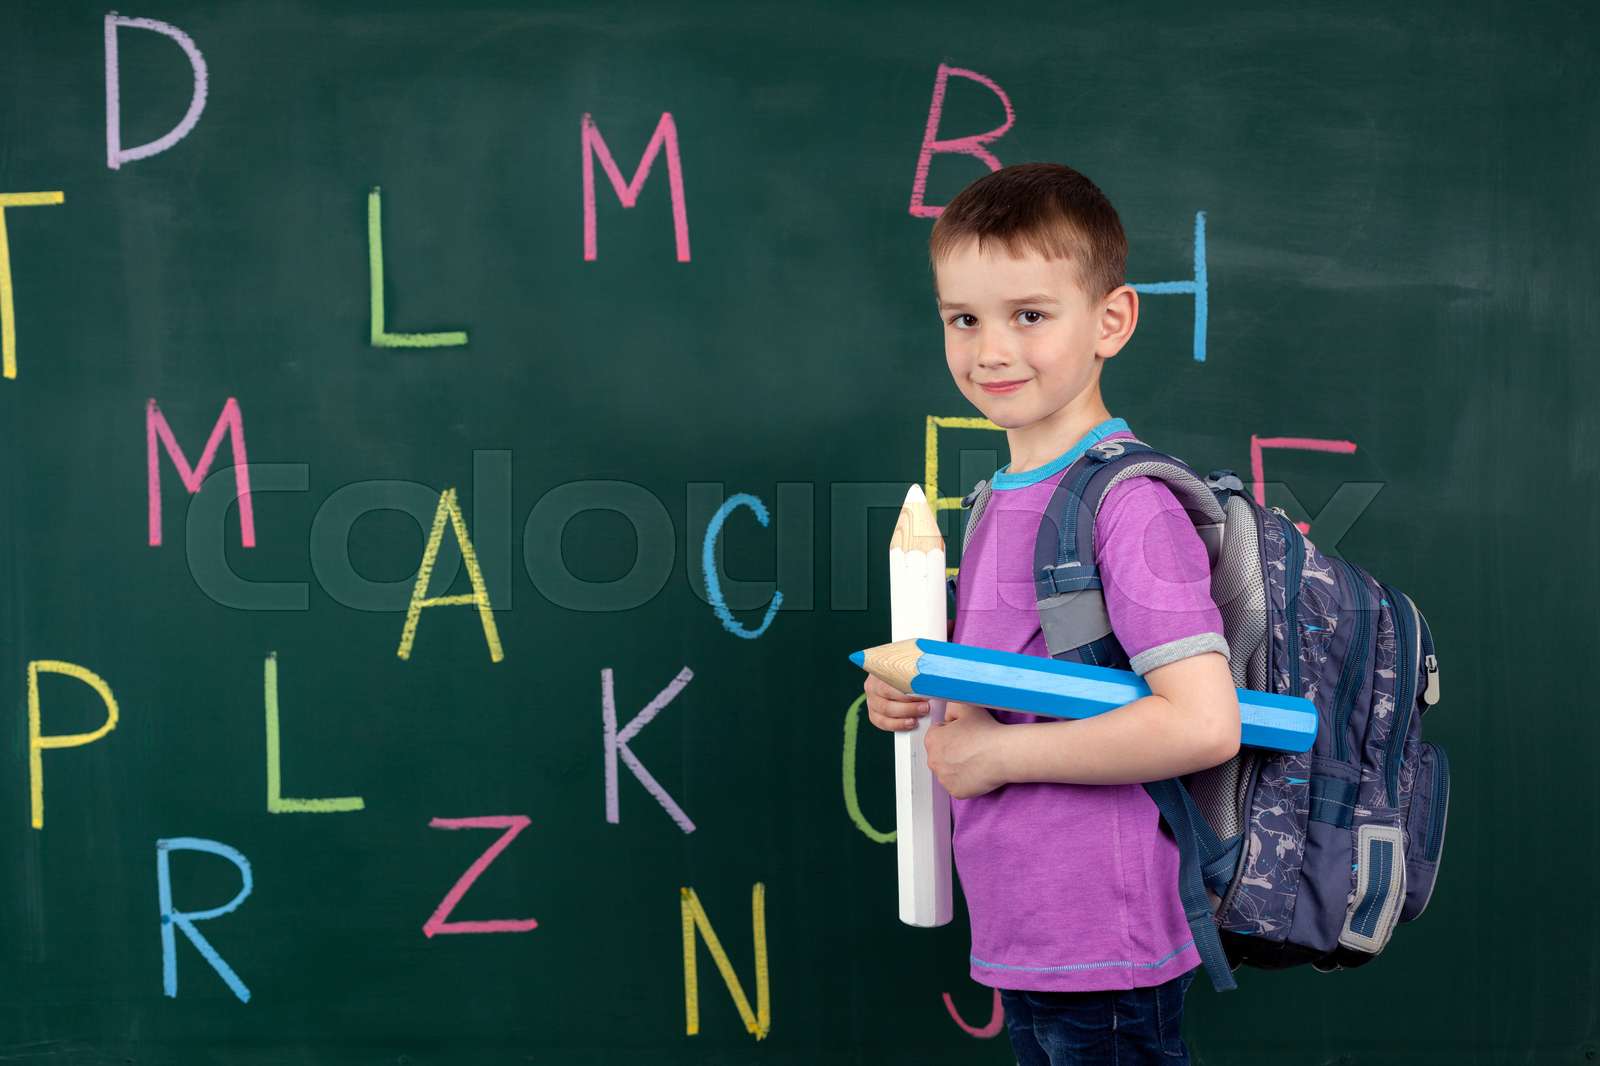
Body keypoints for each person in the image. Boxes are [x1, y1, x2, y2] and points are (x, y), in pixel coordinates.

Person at [863, 162, 1241, 1065]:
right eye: (964, 319)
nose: (990, 350)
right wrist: (925, 699)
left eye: (1029, 315)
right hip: (1030, 931)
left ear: (1111, 320)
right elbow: (1027, 682)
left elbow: (1202, 721)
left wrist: (997, 754)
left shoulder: (1124, 504)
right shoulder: (999, 497)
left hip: (1104, 947)